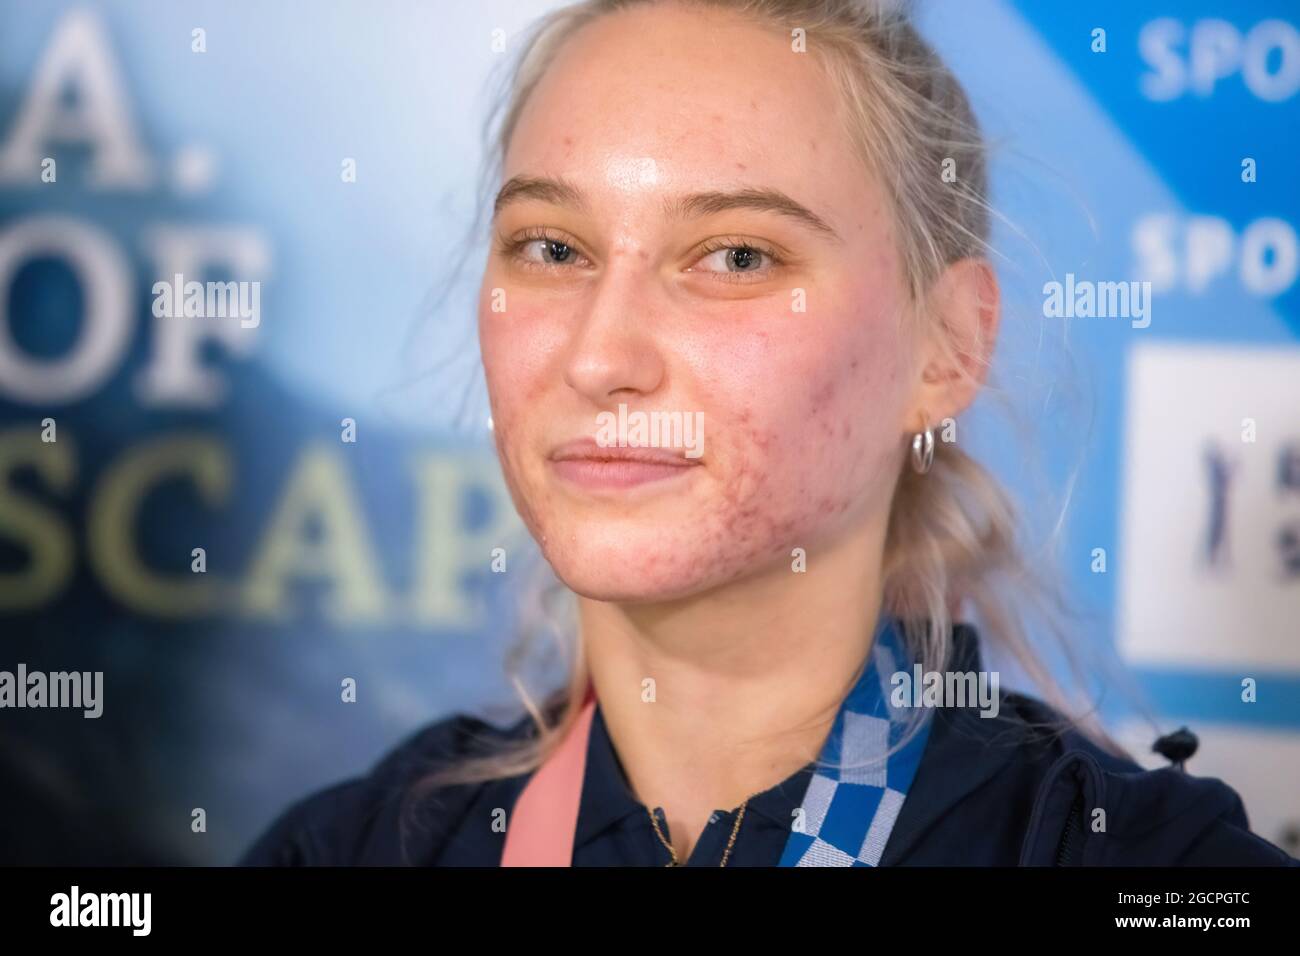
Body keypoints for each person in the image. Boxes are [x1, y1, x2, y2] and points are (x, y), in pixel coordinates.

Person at [240, 0, 1296, 867]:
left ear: (945, 349)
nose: (600, 355)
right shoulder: (348, 848)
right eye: (552, 246)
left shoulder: (1150, 869)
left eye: (736, 256)